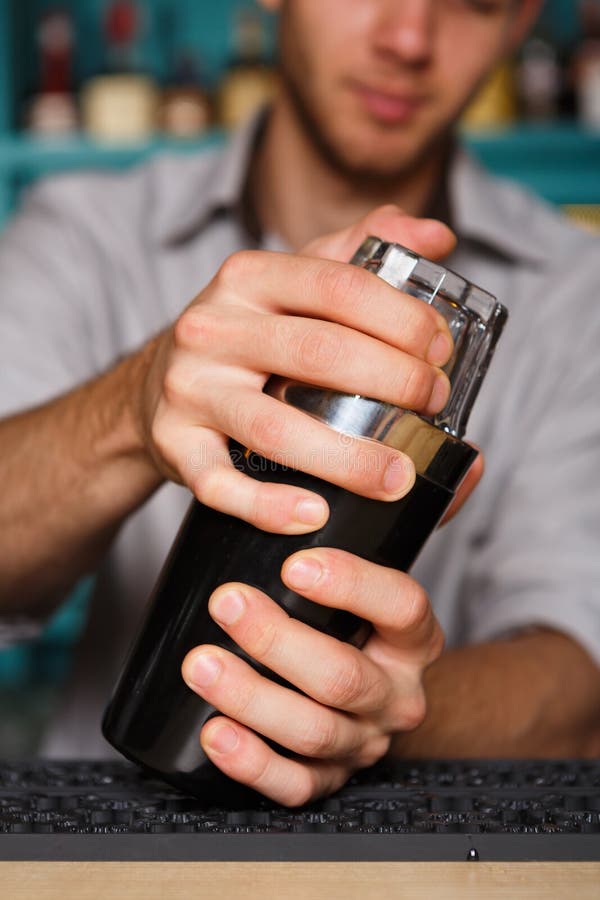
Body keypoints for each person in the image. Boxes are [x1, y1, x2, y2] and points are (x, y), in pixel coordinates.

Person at [1, 0, 600, 806]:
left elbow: (577, 680)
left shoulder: (578, 297)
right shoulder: (83, 229)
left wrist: (373, 710)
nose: (408, 39)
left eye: (475, 0)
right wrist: (131, 409)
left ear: (520, 18)